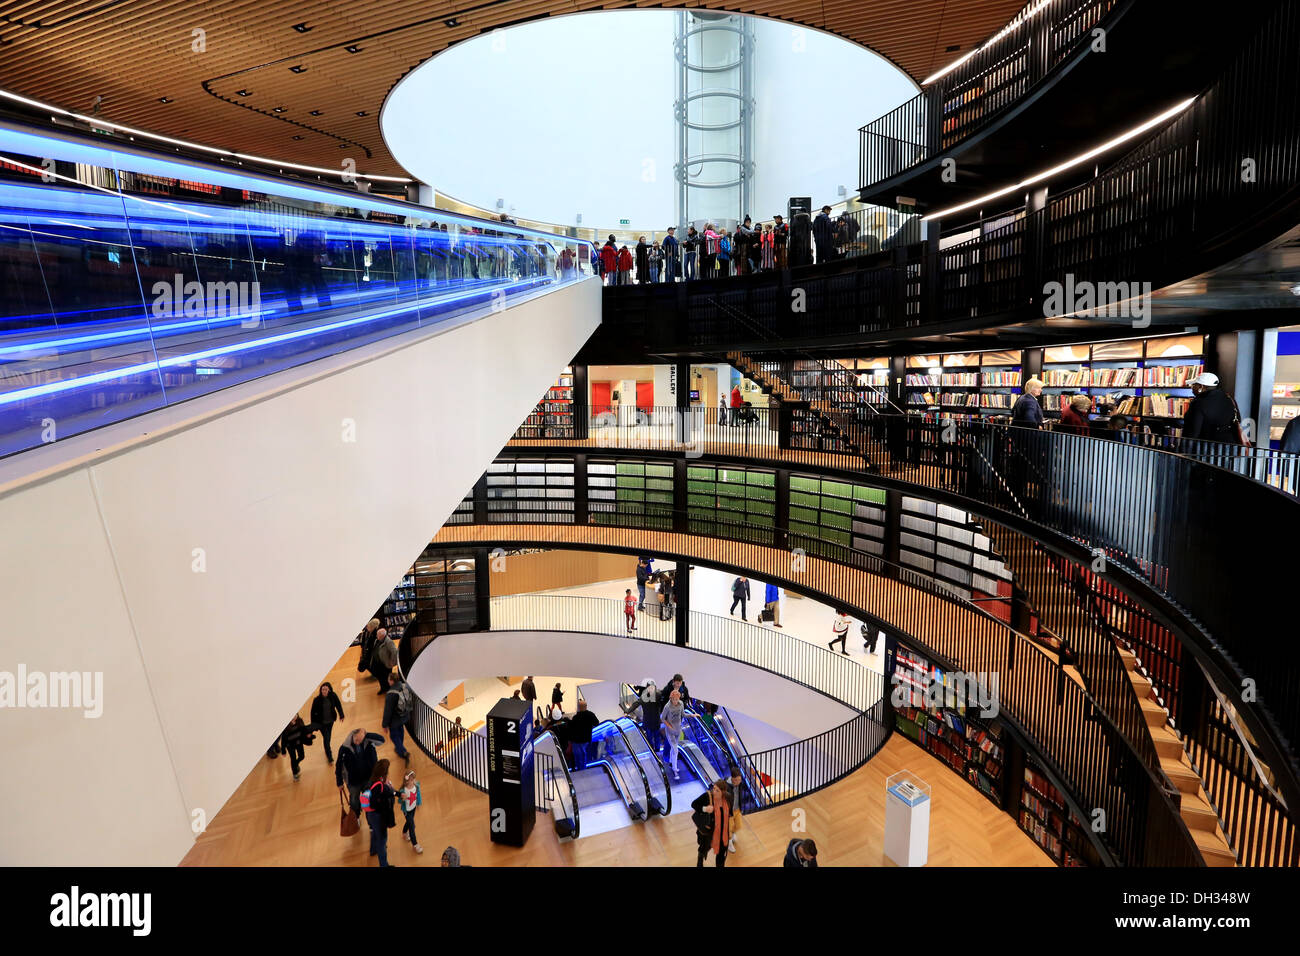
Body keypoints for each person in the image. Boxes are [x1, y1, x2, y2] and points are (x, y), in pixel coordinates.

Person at [336, 728, 386, 819]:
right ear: (352, 736)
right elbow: (338, 765)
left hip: (368, 778)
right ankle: (356, 817)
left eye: (360, 740)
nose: (358, 742)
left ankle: (370, 819)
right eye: (356, 740)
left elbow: (382, 740)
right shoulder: (344, 748)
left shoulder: (369, 742)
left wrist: (366, 734)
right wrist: (339, 782)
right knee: (354, 801)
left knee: (369, 800)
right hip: (353, 781)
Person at [1182, 372, 1243, 446]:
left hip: (1206, 450)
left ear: (1201, 387)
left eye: (1194, 385)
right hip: (1230, 448)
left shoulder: (1199, 402)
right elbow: (1238, 419)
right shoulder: (1229, 398)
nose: (1191, 387)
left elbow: (1192, 432)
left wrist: (1182, 451)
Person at [360, 759, 397, 867]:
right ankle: (384, 865)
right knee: (382, 840)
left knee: (374, 833)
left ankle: (373, 850)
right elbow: (389, 794)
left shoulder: (371, 782)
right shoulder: (380, 786)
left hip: (370, 815)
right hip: (379, 817)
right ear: (383, 773)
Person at [691, 781, 731, 866]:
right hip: (708, 831)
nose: (714, 792)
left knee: (721, 857)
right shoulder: (707, 796)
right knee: (704, 848)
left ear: (723, 792)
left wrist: (728, 832)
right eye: (714, 789)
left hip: (722, 833)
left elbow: (729, 815)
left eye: (717, 791)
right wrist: (705, 809)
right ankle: (700, 858)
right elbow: (694, 804)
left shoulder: (728, 797)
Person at [382, 675, 415, 764]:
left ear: (392, 681)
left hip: (395, 720)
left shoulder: (391, 694)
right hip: (404, 716)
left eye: (389, 680)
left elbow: (387, 711)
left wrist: (384, 725)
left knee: (394, 736)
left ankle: (403, 751)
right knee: (400, 732)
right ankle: (399, 747)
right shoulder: (405, 686)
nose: (388, 681)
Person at [626, 679, 664, 755]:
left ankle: (657, 752)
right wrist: (627, 712)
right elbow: (635, 704)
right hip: (648, 722)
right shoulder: (644, 696)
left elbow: (664, 702)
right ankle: (653, 753)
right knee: (649, 739)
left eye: (653, 688)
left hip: (656, 721)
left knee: (657, 738)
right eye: (650, 688)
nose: (651, 689)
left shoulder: (658, 695)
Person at [310, 682, 344, 764]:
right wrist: (312, 726)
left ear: (329, 690)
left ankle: (327, 748)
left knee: (328, 737)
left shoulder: (333, 696)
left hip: (330, 721)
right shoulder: (316, 700)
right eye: (322, 689)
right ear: (320, 690)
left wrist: (341, 715)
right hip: (321, 723)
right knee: (326, 737)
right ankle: (329, 756)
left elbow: (338, 705)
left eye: (326, 689)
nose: (324, 691)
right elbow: (312, 713)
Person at [661, 689, 686, 780]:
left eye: (677, 699)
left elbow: (683, 714)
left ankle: (672, 762)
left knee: (673, 748)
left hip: (678, 730)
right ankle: (675, 769)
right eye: (674, 699)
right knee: (676, 750)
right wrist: (669, 726)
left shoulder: (681, 704)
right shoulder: (667, 706)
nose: (676, 701)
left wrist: (692, 715)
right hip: (670, 731)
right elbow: (663, 718)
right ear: (671, 698)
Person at [568, 699, 598, 771]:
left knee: (577, 756)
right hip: (586, 740)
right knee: (585, 756)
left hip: (576, 741)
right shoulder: (591, 715)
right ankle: (584, 770)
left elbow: (571, 729)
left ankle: (579, 770)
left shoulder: (575, 717)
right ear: (586, 706)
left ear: (579, 707)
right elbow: (596, 723)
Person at [280, 714, 312, 781]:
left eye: (295, 715)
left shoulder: (299, 721)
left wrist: (308, 734)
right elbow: (283, 739)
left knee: (302, 756)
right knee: (293, 759)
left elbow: (304, 729)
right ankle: (295, 774)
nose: (294, 717)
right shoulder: (285, 725)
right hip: (290, 745)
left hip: (298, 742)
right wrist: (283, 750)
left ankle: (296, 764)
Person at [399, 769, 423, 854]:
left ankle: (404, 833)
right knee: (412, 826)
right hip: (407, 811)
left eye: (414, 779)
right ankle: (415, 844)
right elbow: (399, 801)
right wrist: (402, 799)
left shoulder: (416, 786)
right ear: (407, 781)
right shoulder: (403, 790)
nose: (413, 781)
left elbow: (418, 795)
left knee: (409, 822)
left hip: (413, 809)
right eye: (411, 780)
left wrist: (419, 804)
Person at [725, 764, 745, 854]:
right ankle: (729, 843)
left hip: (737, 809)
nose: (739, 782)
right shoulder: (726, 786)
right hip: (729, 811)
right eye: (737, 780)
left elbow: (739, 795)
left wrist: (741, 806)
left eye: (740, 780)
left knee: (738, 825)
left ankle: (733, 835)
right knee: (728, 828)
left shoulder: (740, 784)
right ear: (732, 779)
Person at [371, 627, 398, 693]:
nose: (376, 636)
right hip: (378, 663)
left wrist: (391, 662)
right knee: (380, 677)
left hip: (385, 664)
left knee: (386, 678)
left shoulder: (389, 642)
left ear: (383, 635)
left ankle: (388, 690)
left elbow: (395, 652)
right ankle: (383, 689)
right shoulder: (377, 640)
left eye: (378, 635)